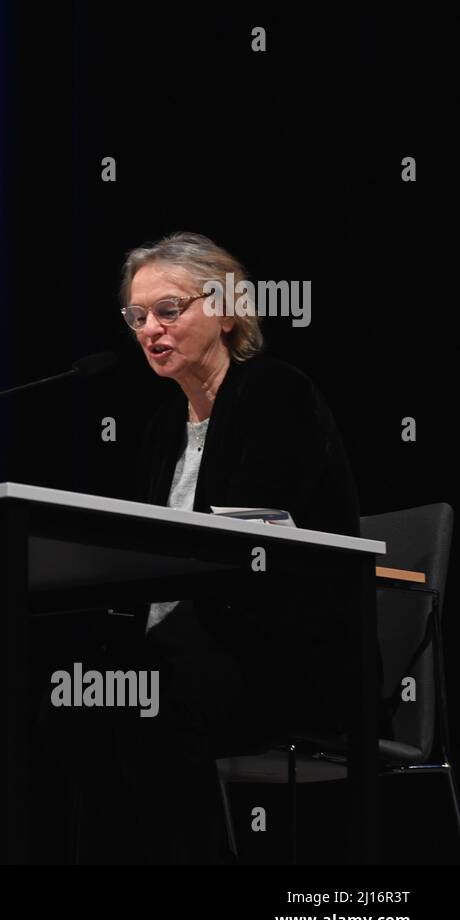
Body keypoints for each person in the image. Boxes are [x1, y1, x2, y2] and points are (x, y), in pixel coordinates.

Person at [27, 232, 366, 862]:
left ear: (228, 308)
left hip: (278, 651)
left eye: (169, 310)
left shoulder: (274, 393)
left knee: (149, 699)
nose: (150, 328)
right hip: (186, 649)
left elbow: (255, 542)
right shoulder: (162, 428)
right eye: (137, 316)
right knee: (69, 699)